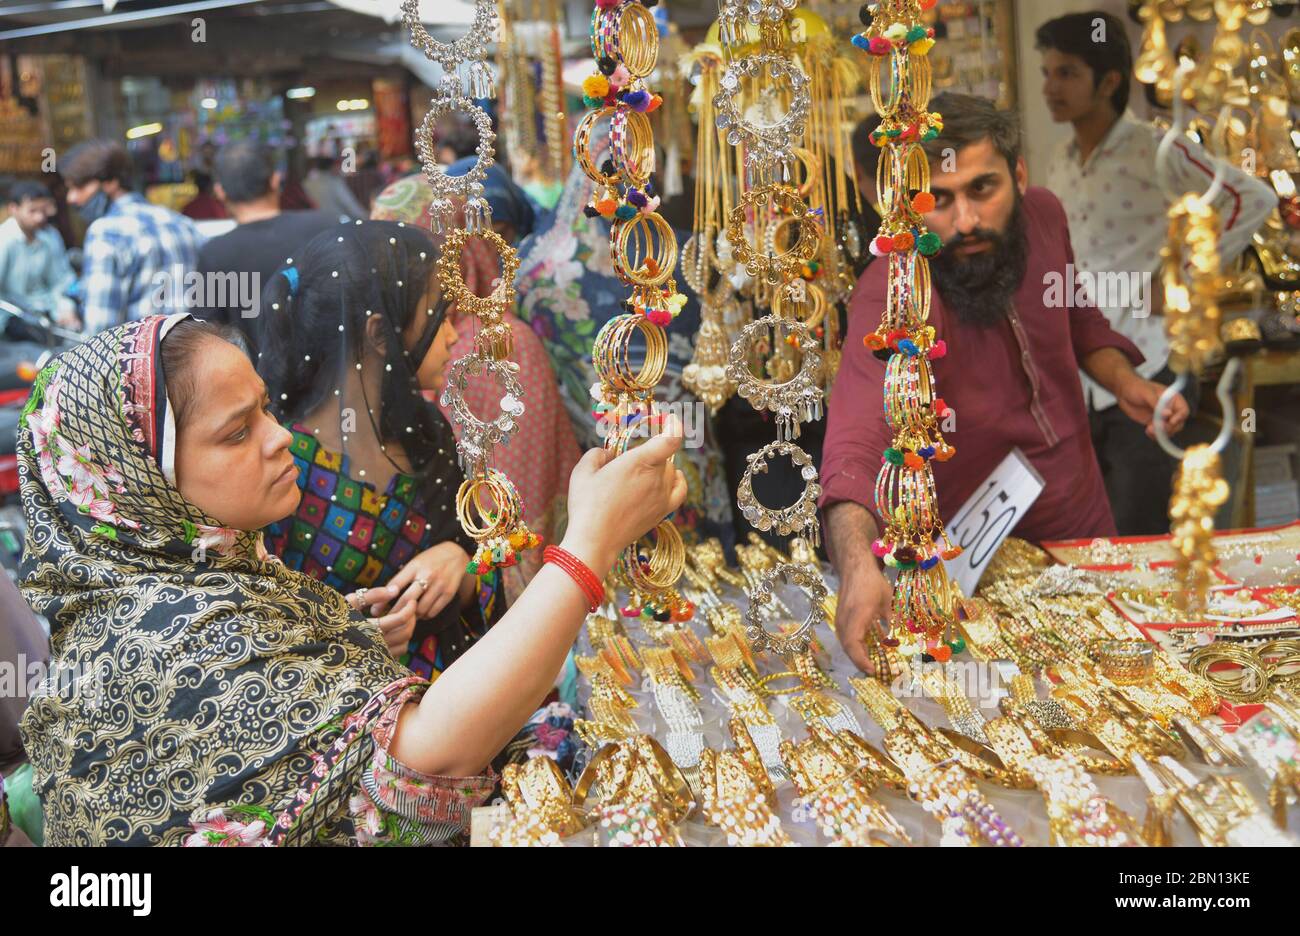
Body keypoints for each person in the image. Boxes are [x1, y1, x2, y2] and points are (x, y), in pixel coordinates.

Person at [15, 310, 685, 845]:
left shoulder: (217, 577)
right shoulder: (173, 634)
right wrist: (588, 545)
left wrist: (339, 640)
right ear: (133, 486)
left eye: (264, 410)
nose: (279, 438)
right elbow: (426, 761)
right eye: (236, 433)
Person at [821, 93, 1191, 673]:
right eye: (937, 200)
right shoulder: (891, 292)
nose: (964, 221)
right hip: (982, 568)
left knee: (1130, 688)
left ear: (1018, 175)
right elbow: (855, 442)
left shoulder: (1043, 217)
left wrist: (1124, 381)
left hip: (1083, 521)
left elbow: (1075, 317)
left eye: (982, 190)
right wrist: (858, 565)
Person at [1038, 11, 1275, 534]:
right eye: (1047, 72)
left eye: (1068, 73)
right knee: (1094, 535)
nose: (1050, 87)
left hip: (1152, 369)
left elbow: (1250, 197)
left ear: (1110, 80)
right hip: (1086, 376)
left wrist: (1184, 277)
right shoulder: (1058, 161)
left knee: (1141, 531)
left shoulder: (1155, 148)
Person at [259, 221, 505, 678]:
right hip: (350, 730)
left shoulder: (425, 433)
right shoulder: (283, 462)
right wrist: (348, 636)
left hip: (456, 705)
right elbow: (262, 634)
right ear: (378, 333)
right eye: (437, 317)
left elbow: (483, 559)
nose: (453, 337)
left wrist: (462, 564)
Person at [514, 126, 735, 544]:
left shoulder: (533, 266)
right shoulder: (690, 256)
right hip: (682, 444)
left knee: (604, 574)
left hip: (595, 462)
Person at [371, 167, 579, 603]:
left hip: (496, 586)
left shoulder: (504, 345)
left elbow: (526, 493)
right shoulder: (391, 341)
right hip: (438, 585)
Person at [195, 141, 340, 351]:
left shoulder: (214, 253)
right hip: (333, 377)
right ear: (275, 180)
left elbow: (206, 334)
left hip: (258, 381)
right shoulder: (326, 226)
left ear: (220, 192)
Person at [61, 139, 203, 334]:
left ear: (110, 182)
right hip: (188, 355)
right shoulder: (182, 223)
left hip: (140, 361)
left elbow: (99, 333)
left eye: (79, 187)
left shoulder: (107, 232)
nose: (72, 198)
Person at [0, 180, 77, 325]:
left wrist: (66, 308)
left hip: (47, 311)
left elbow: (61, 280)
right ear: (13, 209)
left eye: (43, 210)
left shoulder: (50, 236)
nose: (39, 217)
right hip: (12, 316)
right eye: (32, 211)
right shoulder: (4, 239)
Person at [303, 154, 366, 221]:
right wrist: (364, 217)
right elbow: (349, 204)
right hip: (338, 223)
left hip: (315, 222)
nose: (339, 169)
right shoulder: (335, 183)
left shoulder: (306, 183)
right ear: (332, 167)